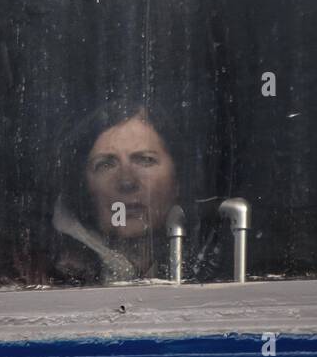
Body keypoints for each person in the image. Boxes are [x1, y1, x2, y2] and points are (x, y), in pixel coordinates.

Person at [51, 99, 207, 285]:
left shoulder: (208, 264)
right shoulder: (48, 269)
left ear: (177, 181)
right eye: (106, 164)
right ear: (84, 186)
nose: (127, 181)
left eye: (145, 160)